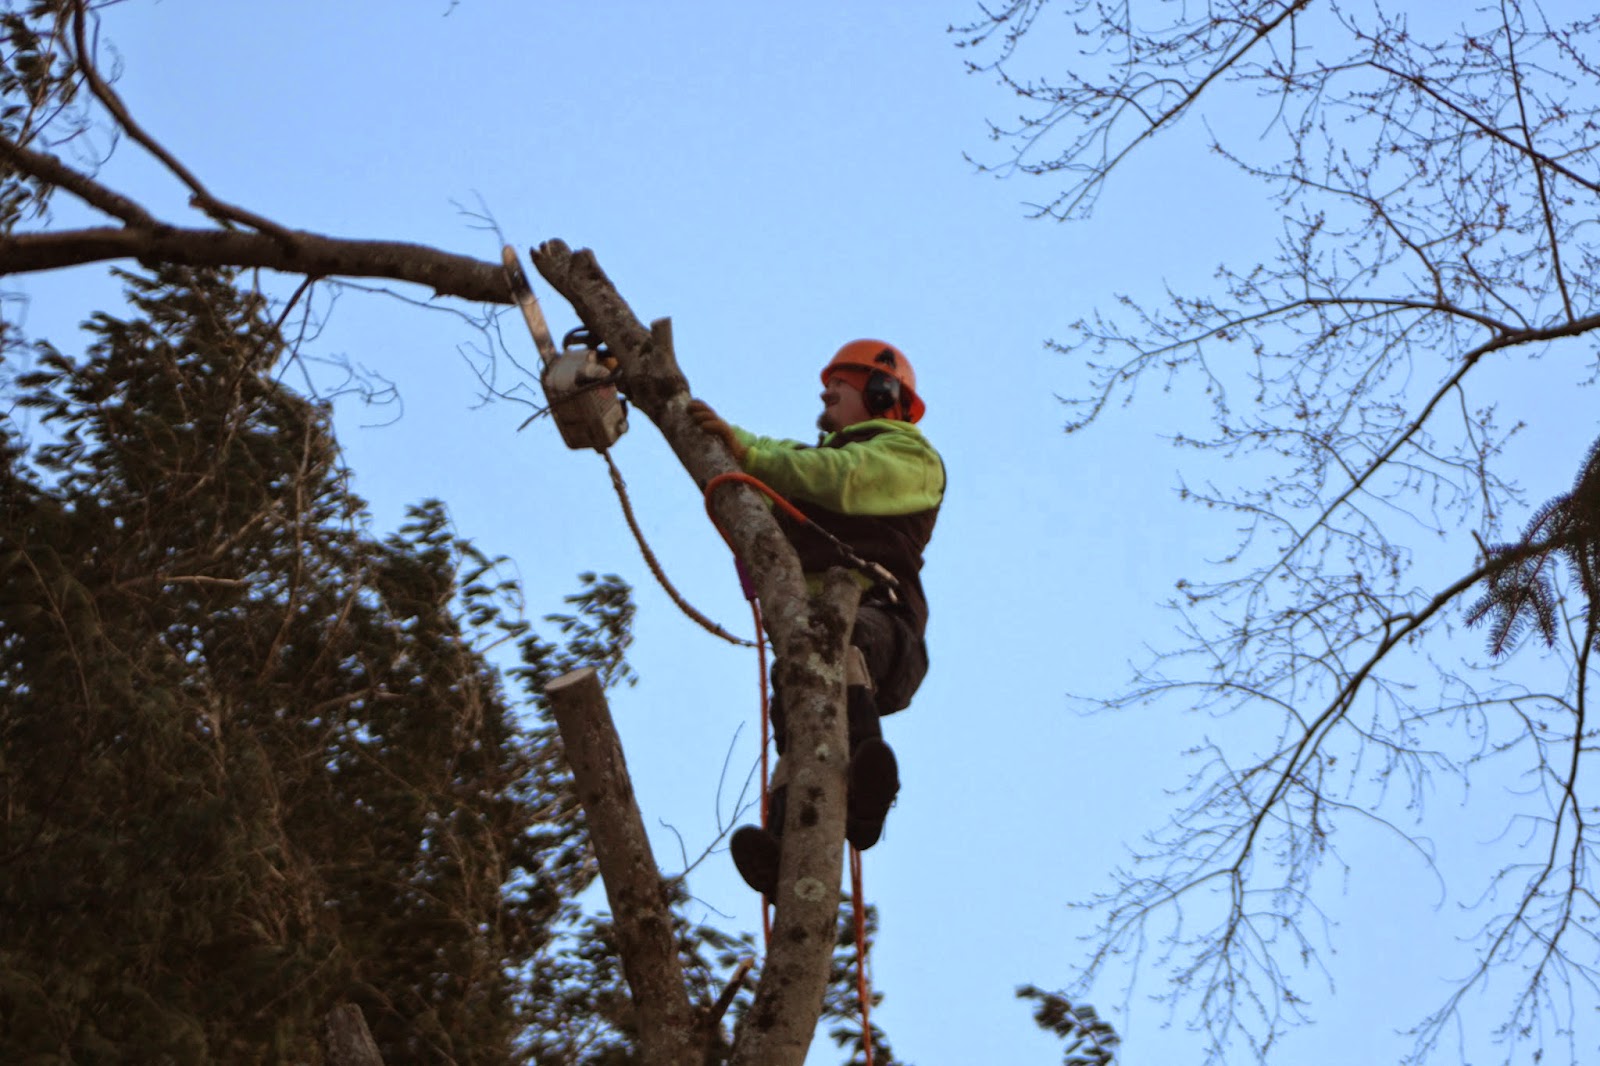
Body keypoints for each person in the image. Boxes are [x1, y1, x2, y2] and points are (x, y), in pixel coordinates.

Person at [688, 339, 944, 897]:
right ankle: (784, 848)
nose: (825, 392)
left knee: (836, 642)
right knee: (797, 702)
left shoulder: (909, 459)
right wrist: (733, 444)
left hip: (883, 626)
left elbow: (839, 476)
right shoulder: (810, 462)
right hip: (818, 635)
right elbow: (786, 464)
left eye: (842, 384)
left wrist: (753, 457)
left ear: (883, 394)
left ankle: (868, 799)